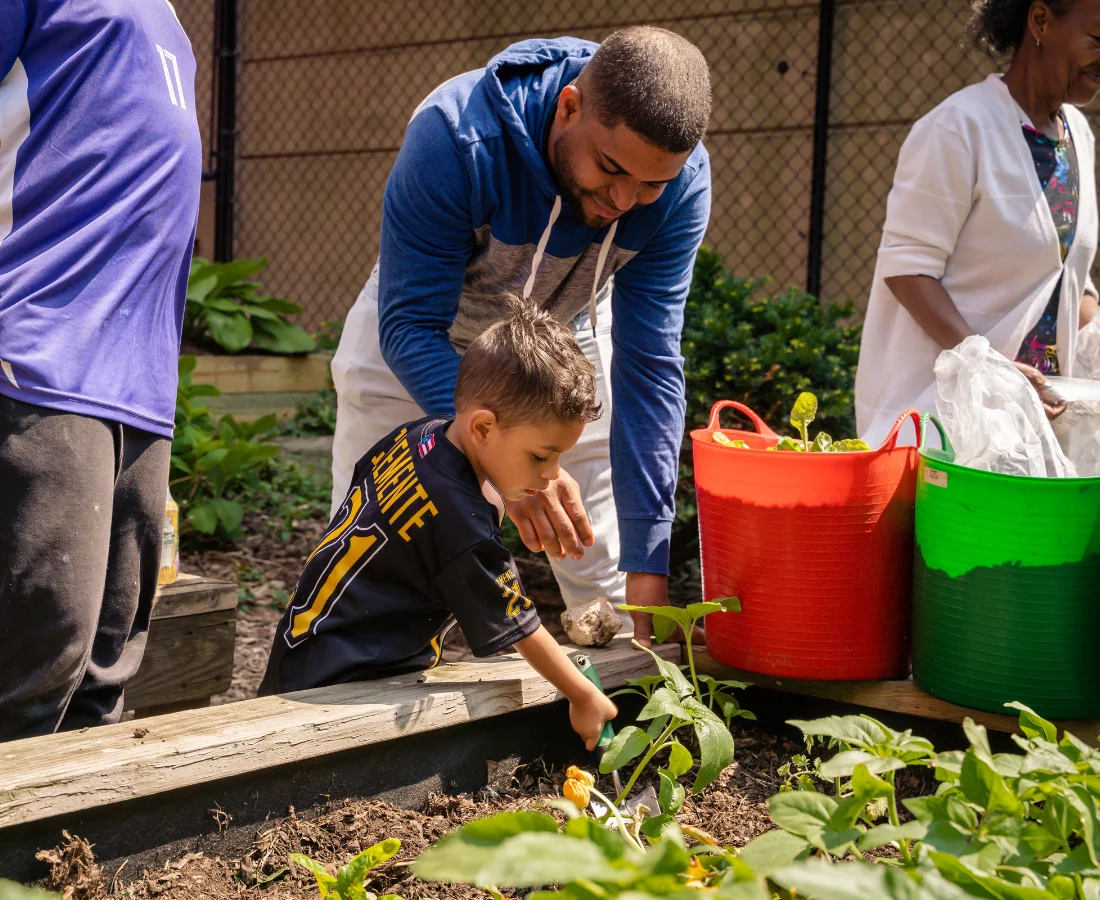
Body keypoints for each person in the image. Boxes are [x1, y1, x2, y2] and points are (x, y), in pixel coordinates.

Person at [330, 27, 712, 647]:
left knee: (611, 584)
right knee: (368, 564)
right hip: (423, 337)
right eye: (611, 168)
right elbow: (409, 325)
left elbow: (648, 365)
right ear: (569, 107)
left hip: (563, 336)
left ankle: (622, 692)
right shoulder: (456, 136)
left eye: (651, 185)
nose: (625, 200)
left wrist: (649, 561)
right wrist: (507, 458)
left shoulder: (684, 185)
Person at [260, 306, 619, 749]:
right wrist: (583, 696)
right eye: (540, 456)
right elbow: (519, 624)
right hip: (342, 684)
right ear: (483, 427)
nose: (552, 475)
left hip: (302, 648)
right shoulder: (460, 523)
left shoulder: (415, 435)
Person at [0, 1, 203, 739]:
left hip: (140, 380)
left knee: (107, 665)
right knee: (38, 655)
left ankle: (80, 821)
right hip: (40, 353)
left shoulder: (167, 16)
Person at [855, 0, 1100, 445]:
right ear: (1040, 21)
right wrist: (986, 367)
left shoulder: (1078, 136)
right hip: (944, 430)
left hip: (1036, 435)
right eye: (1097, 39)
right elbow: (908, 269)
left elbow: (1063, 275)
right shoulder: (958, 127)